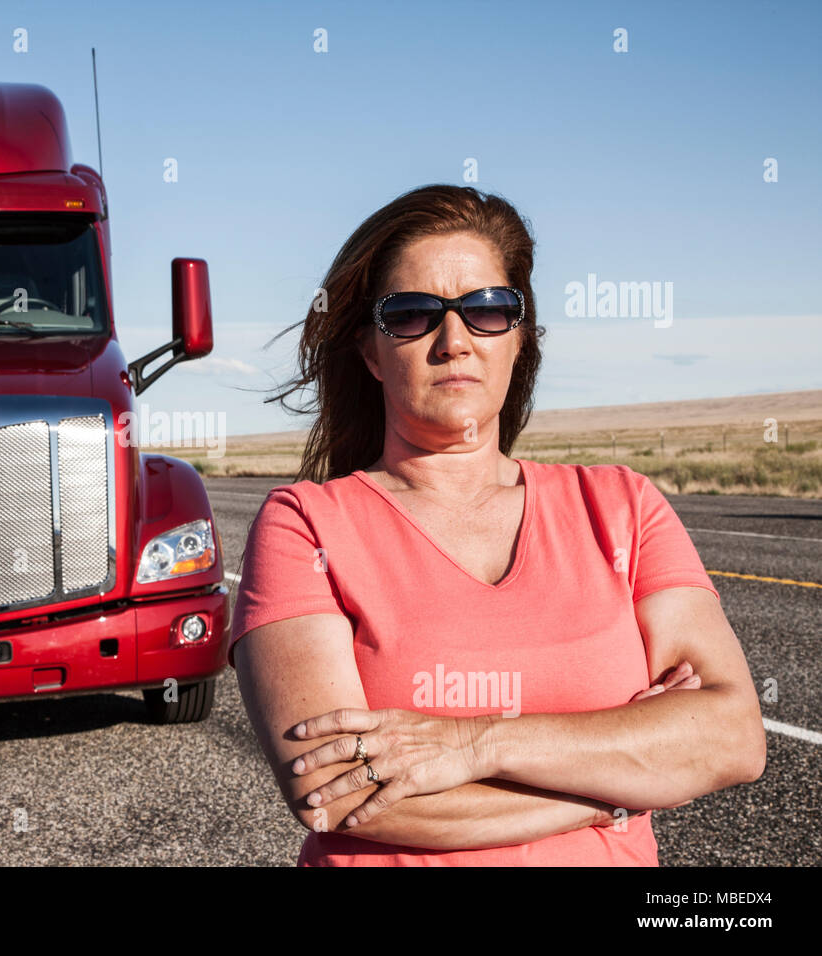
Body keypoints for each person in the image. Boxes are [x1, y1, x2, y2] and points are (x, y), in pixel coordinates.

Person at [230, 184, 765, 866]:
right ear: (369, 351)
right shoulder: (306, 525)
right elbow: (333, 789)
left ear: (519, 339)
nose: (454, 340)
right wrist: (619, 788)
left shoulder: (623, 506)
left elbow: (733, 737)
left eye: (487, 309)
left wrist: (478, 743)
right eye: (413, 314)